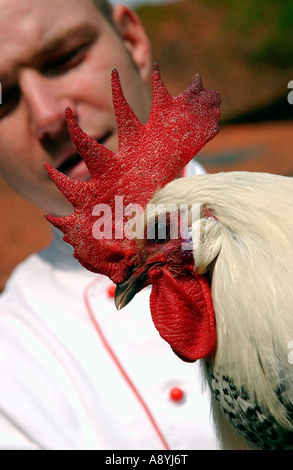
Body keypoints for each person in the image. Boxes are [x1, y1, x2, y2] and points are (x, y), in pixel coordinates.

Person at [0, 0, 218, 450]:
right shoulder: (14, 360)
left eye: (64, 59)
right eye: (1, 98)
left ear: (133, 42)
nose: (46, 116)